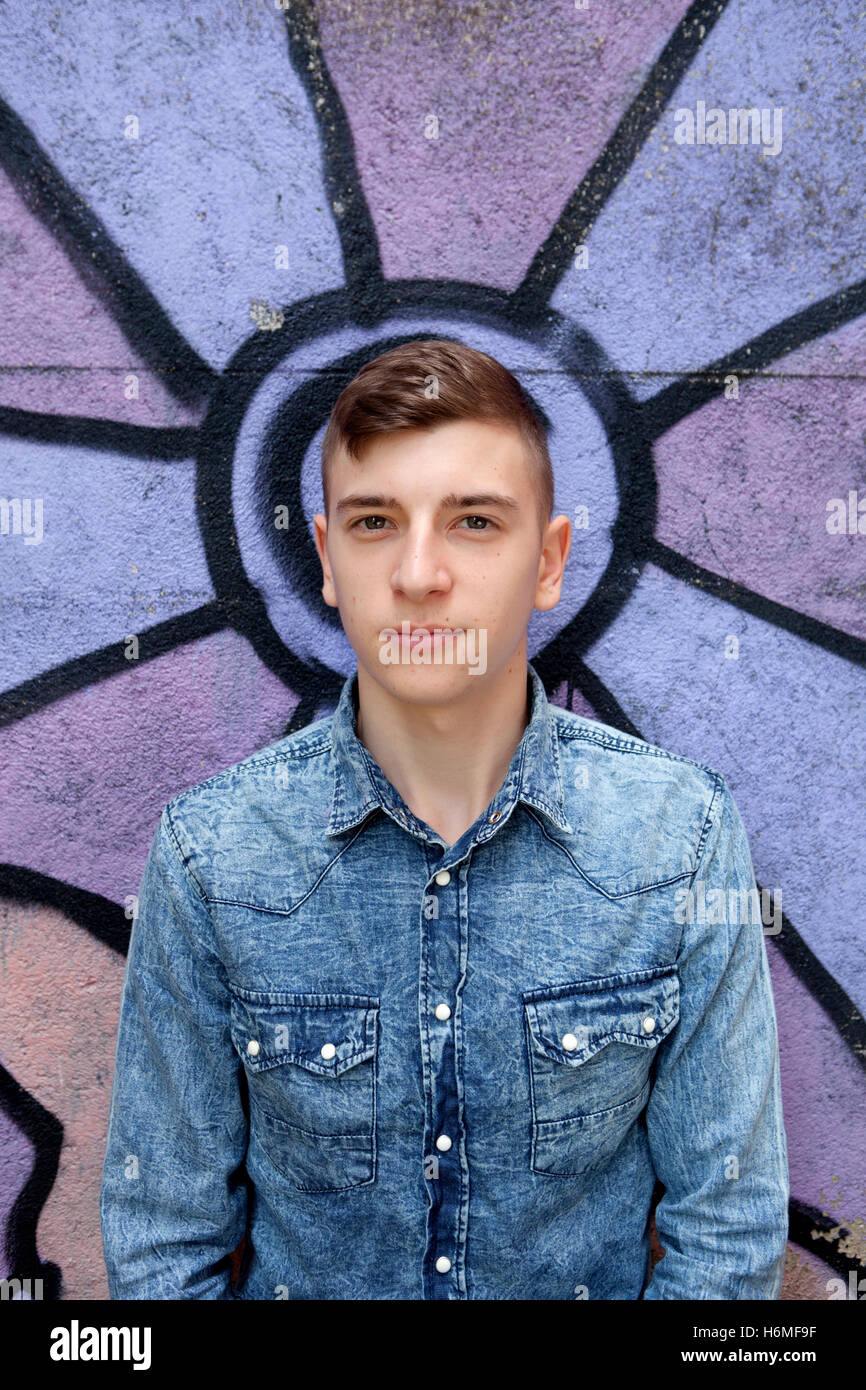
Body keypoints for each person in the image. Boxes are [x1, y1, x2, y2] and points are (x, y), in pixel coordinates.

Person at [100, 337, 789, 1299]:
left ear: (548, 561)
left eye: (473, 521)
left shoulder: (679, 838)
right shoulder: (213, 855)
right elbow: (164, 1247)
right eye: (376, 522)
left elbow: (728, 1235)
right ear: (328, 557)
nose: (420, 574)